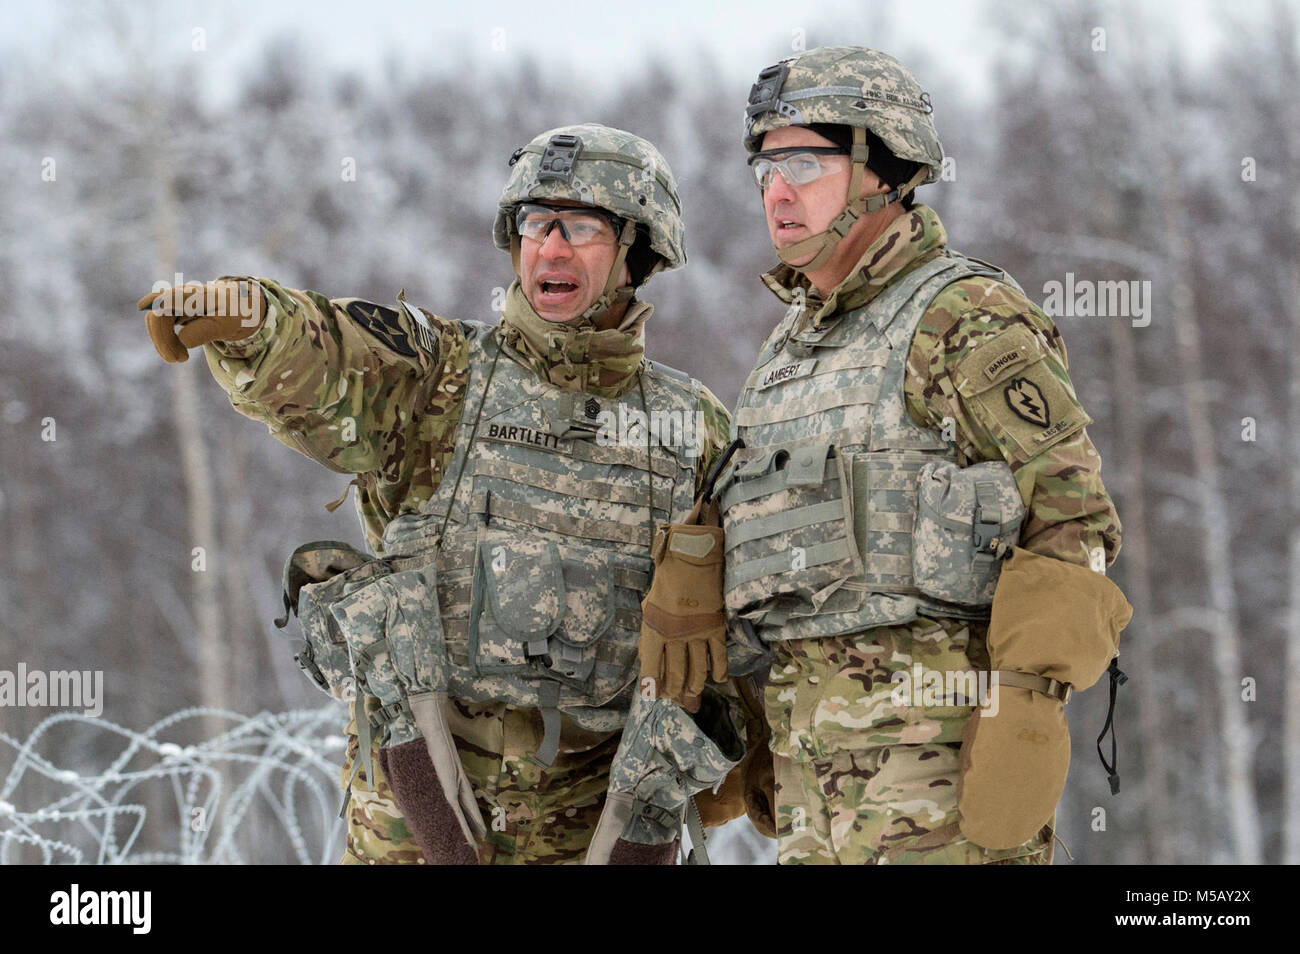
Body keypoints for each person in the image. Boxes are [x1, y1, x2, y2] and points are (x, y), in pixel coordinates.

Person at [139, 123, 738, 865]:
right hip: (416, 829)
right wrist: (250, 318)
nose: (549, 248)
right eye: (533, 224)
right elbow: (335, 351)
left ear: (638, 250)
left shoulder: (690, 426)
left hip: (596, 832)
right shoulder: (440, 375)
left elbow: (752, 612)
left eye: (581, 227)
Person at [718, 46, 1132, 865]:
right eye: (764, 166)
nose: (778, 189)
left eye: (804, 161)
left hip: (941, 784)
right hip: (813, 791)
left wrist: (1028, 703)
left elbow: (1071, 516)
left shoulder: (963, 315)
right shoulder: (782, 356)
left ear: (882, 165)